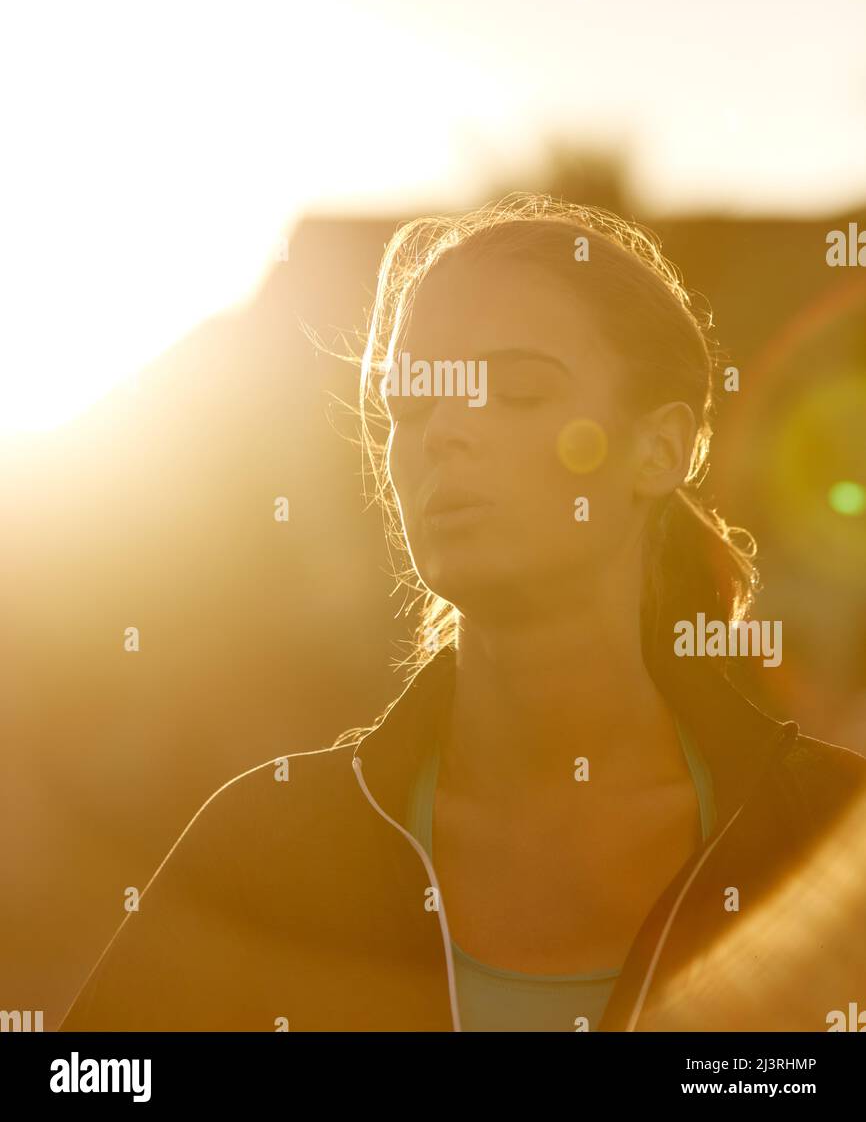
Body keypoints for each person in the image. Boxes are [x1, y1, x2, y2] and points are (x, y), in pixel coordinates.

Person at [59, 193, 866, 1032]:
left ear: (659, 449)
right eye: (411, 405)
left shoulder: (832, 843)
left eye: (517, 390)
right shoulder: (265, 842)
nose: (444, 430)